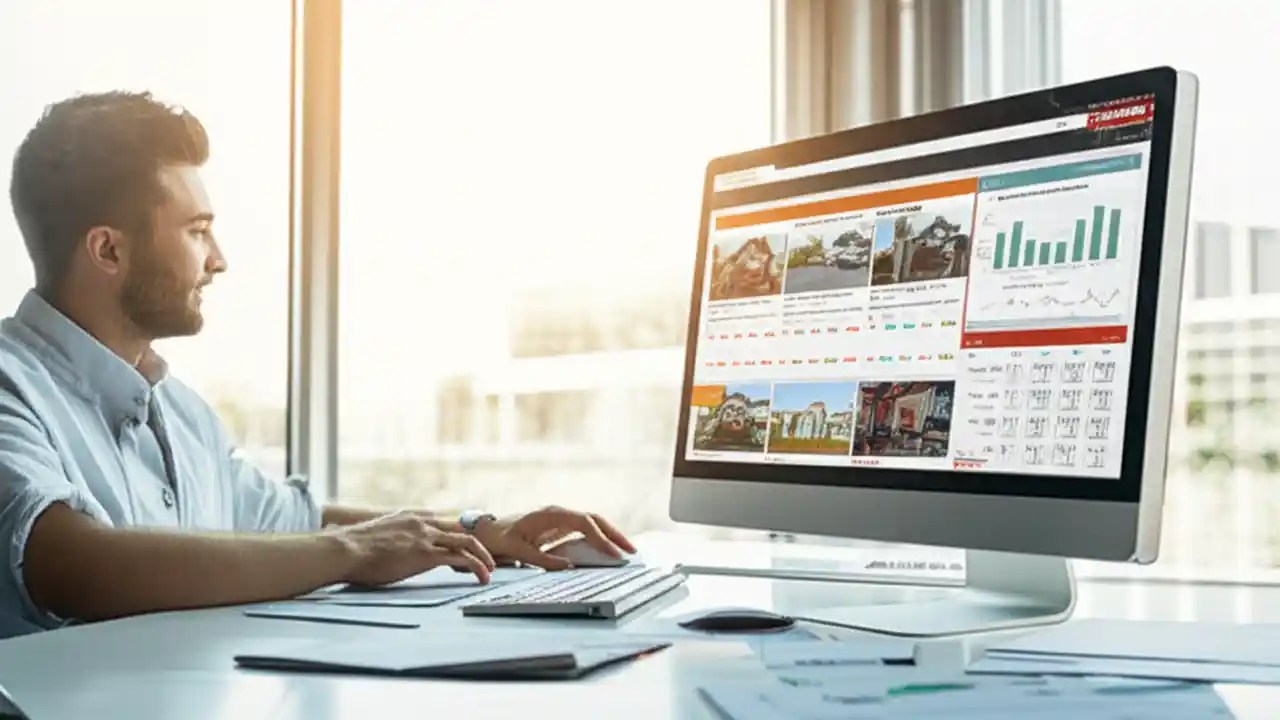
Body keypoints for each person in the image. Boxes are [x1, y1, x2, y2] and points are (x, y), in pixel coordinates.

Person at [0, 91, 636, 638]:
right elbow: (69, 563)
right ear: (108, 250)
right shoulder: (12, 384)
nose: (218, 259)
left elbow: (295, 523)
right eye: (197, 230)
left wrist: (477, 530)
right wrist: (352, 552)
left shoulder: (182, 413)